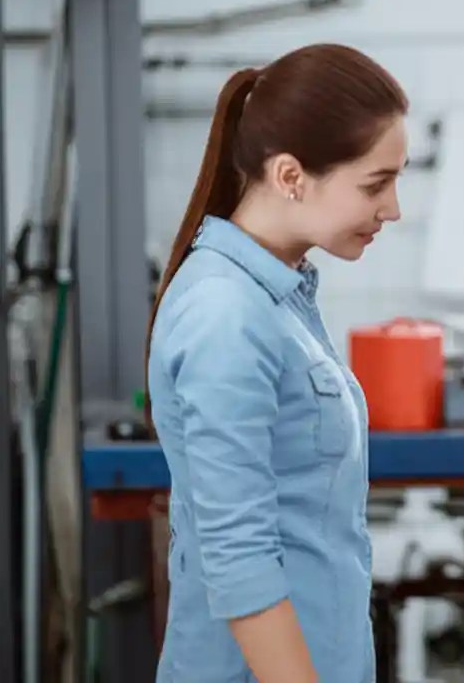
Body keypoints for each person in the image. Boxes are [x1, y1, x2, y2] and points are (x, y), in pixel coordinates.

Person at [145, 43, 408, 682]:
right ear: (291, 176)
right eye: (375, 184)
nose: (393, 208)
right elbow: (240, 559)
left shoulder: (275, 298)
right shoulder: (224, 312)